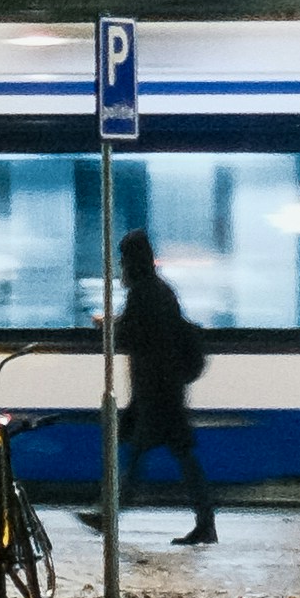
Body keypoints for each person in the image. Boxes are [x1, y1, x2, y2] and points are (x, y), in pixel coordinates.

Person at [114, 229, 215, 540]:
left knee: (147, 454)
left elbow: (133, 337)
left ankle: (111, 515)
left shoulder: (143, 293)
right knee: (170, 454)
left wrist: (109, 328)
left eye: (123, 260)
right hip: (164, 389)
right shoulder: (160, 290)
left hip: (157, 392)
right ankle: (205, 523)